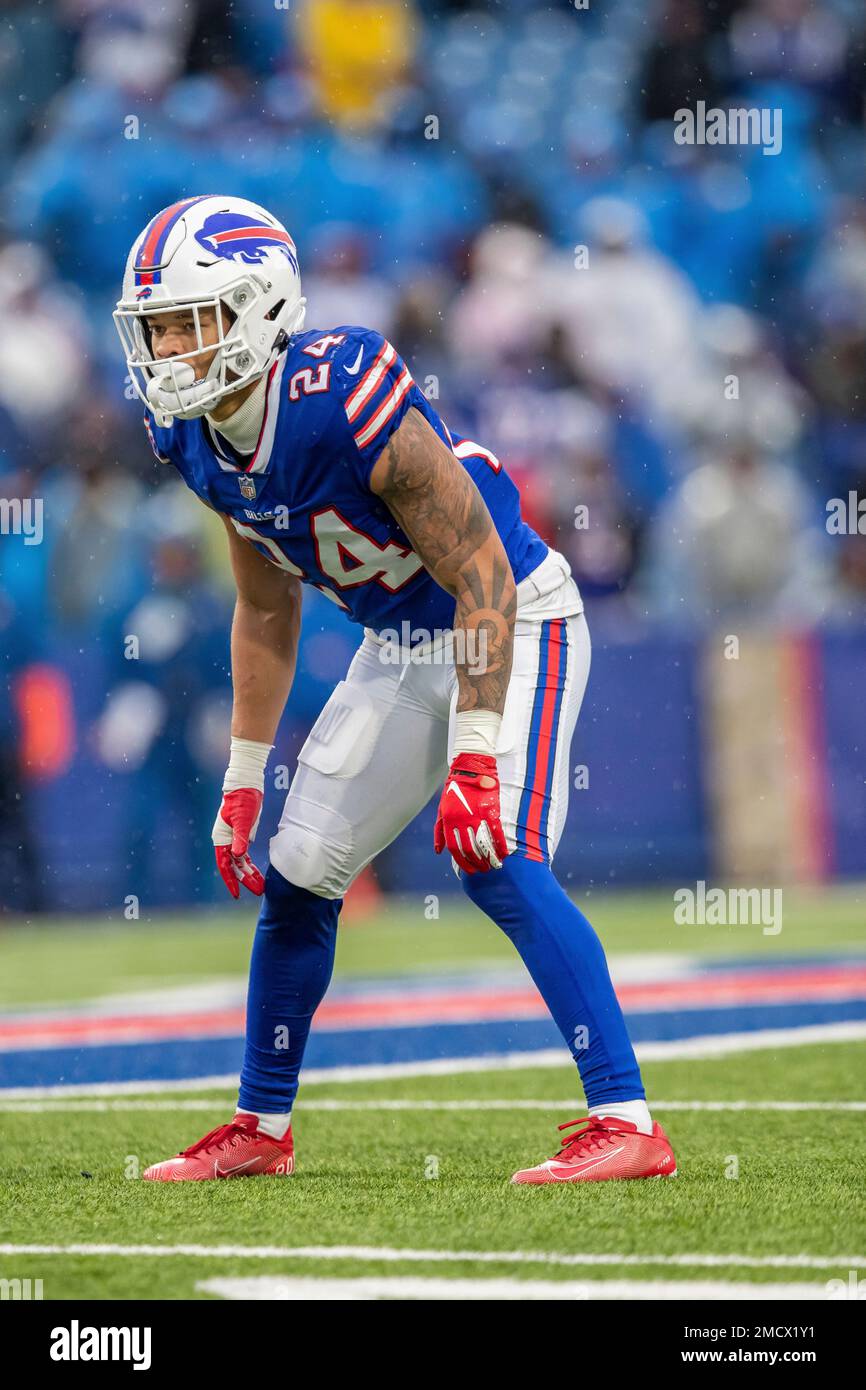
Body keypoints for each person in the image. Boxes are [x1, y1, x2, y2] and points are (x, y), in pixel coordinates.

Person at [113, 195, 677, 1185]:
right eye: (155, 328)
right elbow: (263, 610)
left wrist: (470, 751)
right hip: (400, 643)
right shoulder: (195, 441)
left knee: (492, 849)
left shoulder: (342, 389)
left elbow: (482, 575)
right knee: (298, 873)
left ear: (260, 310)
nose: (169, 350)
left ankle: (626, 1119)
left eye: (188, 323)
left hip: (512, 615)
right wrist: (244, 776)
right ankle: (260, 1126)